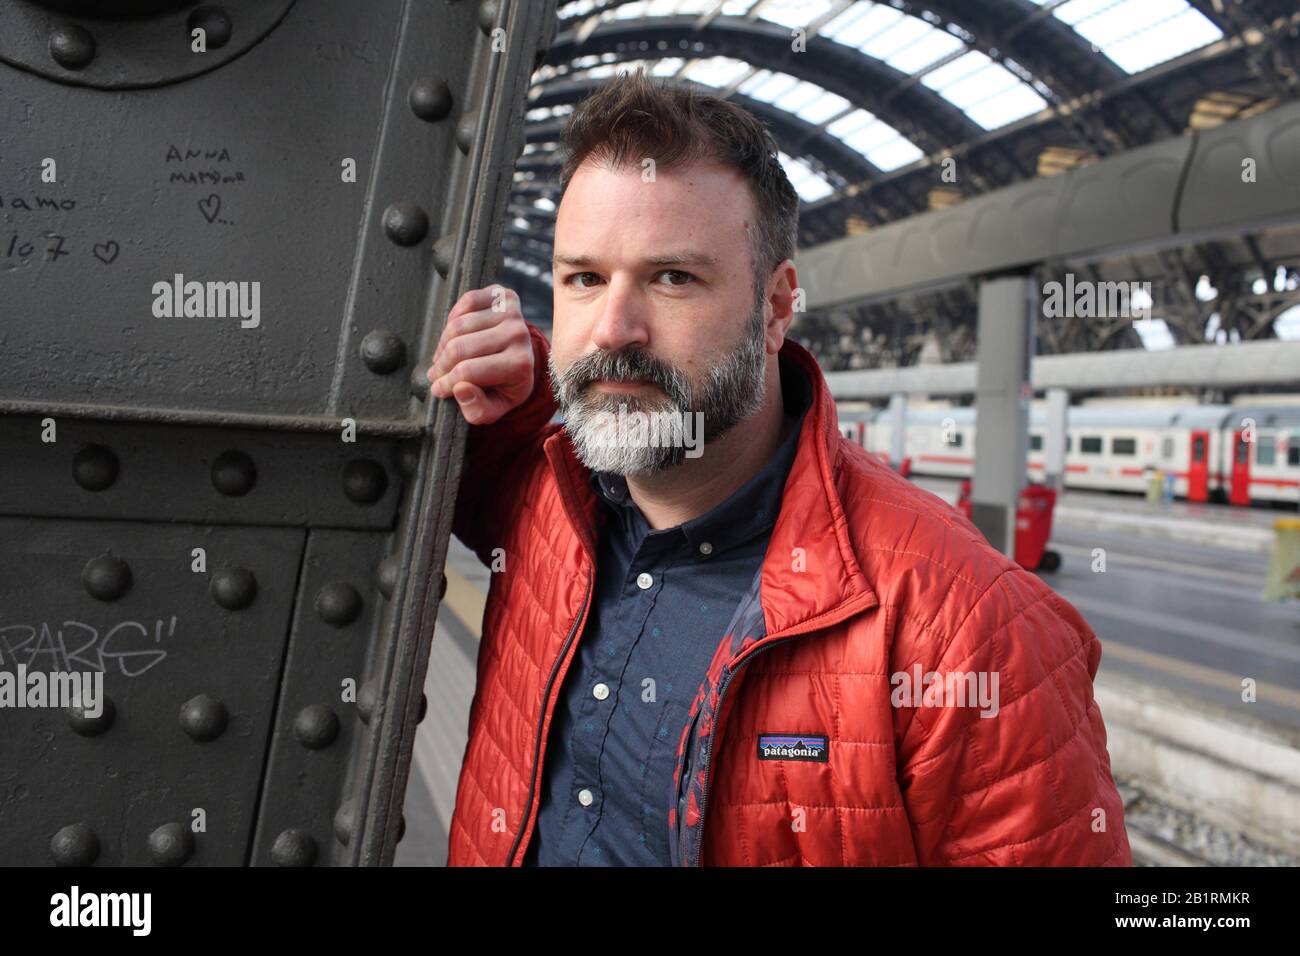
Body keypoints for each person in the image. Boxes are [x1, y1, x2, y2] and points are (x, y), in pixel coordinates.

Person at [431, 68, 1131, 867]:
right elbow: (421, 490)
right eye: (584, 279)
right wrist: (508, 398)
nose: (613, 330)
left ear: (775, 306)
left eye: (672, 278)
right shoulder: (538, 499)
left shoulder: (968, 631)